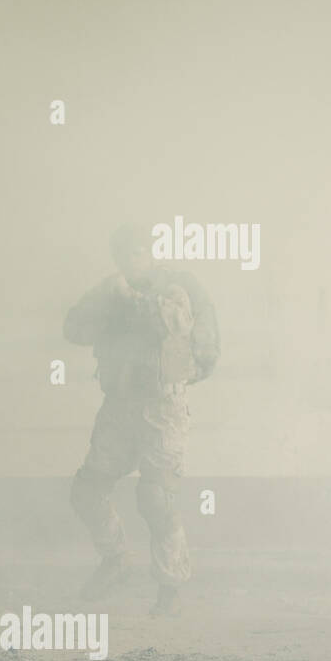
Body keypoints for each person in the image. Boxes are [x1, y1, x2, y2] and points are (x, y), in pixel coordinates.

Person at [64, 224, 219, 616]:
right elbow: (74, 327)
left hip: (162, 408)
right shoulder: (110, 289)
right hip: (120, 404)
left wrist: (129, 301)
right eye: (122, 254)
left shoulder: (176, 286)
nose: (129, 261)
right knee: (86, 490)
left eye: (136, 252)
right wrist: (107, 308)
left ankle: (170, 588)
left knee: (155, 498)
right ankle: (115, 560)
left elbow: (185, 333)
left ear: (151, 252)